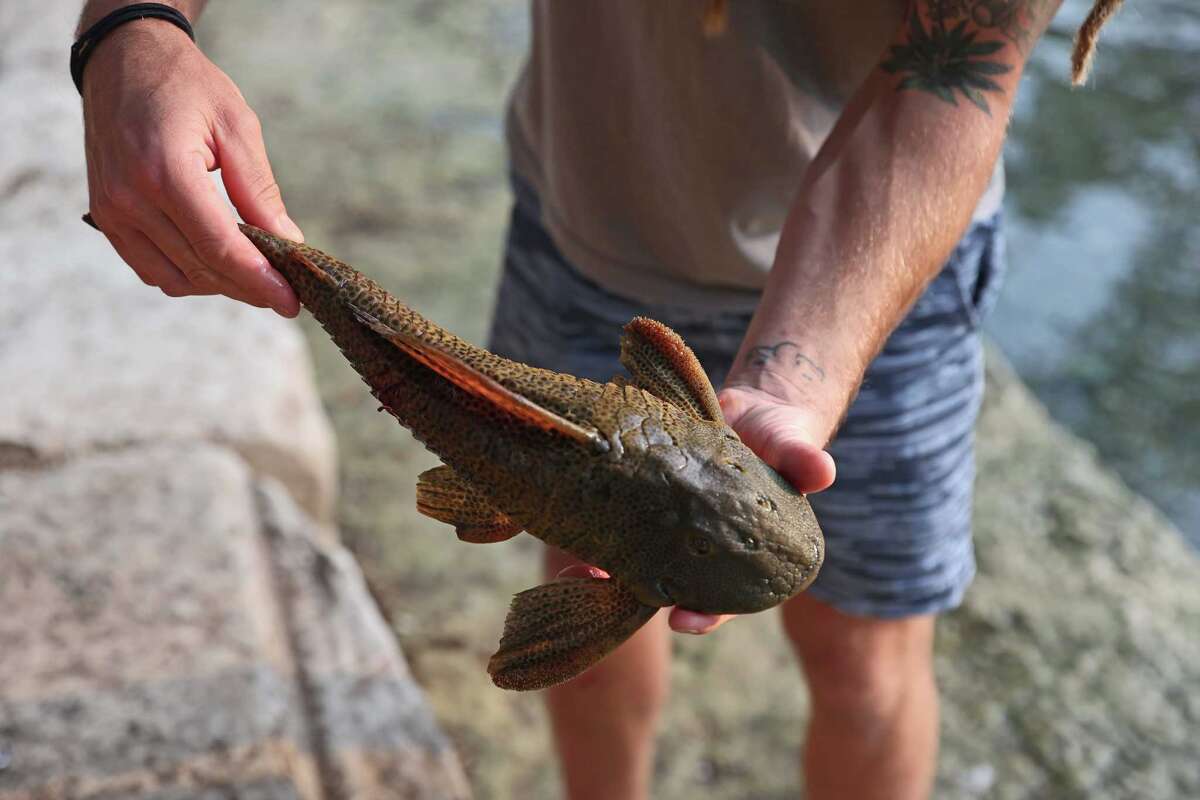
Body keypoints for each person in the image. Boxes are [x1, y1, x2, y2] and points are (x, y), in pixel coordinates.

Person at [77, 1, 1120, 797]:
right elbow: (553, 633)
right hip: (587, 217)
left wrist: (792, 384)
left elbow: (955, 71)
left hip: (894, 268)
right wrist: (135, 27)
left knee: (871, 649)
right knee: (576, 565)